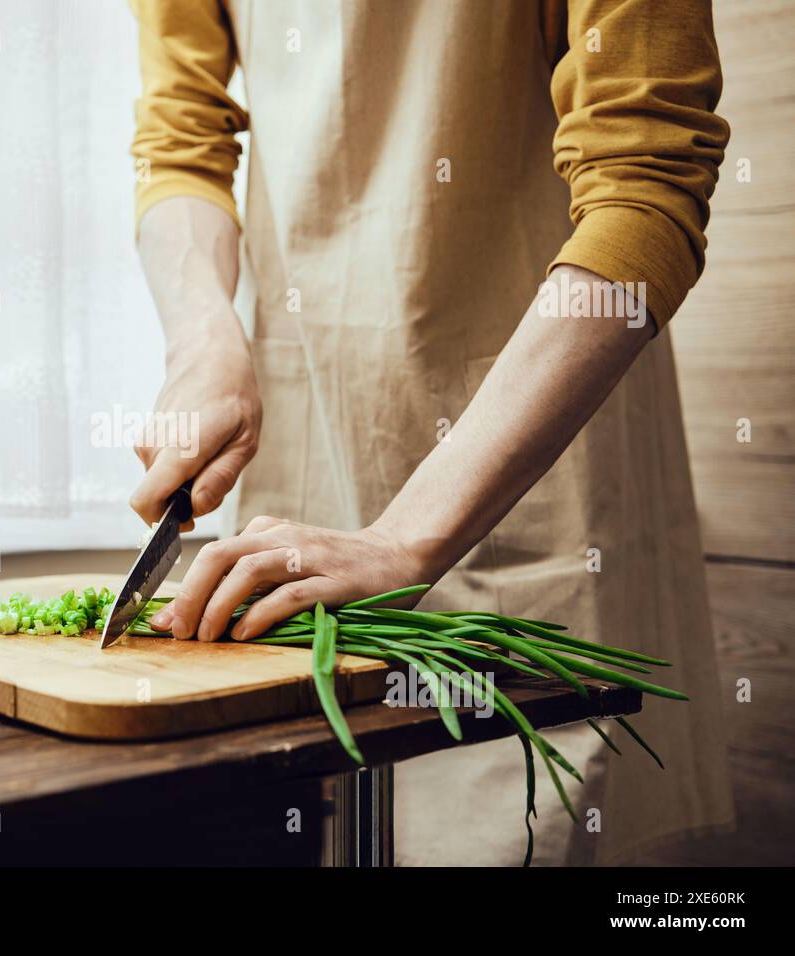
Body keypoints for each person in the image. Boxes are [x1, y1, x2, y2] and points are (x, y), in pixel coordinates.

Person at [127, 0, 733, 864]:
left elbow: (648, 181)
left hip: (536, 430)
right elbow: (179, 136)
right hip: (310, 424)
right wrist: (201, 336)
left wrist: (406, 536)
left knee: (519, 821)